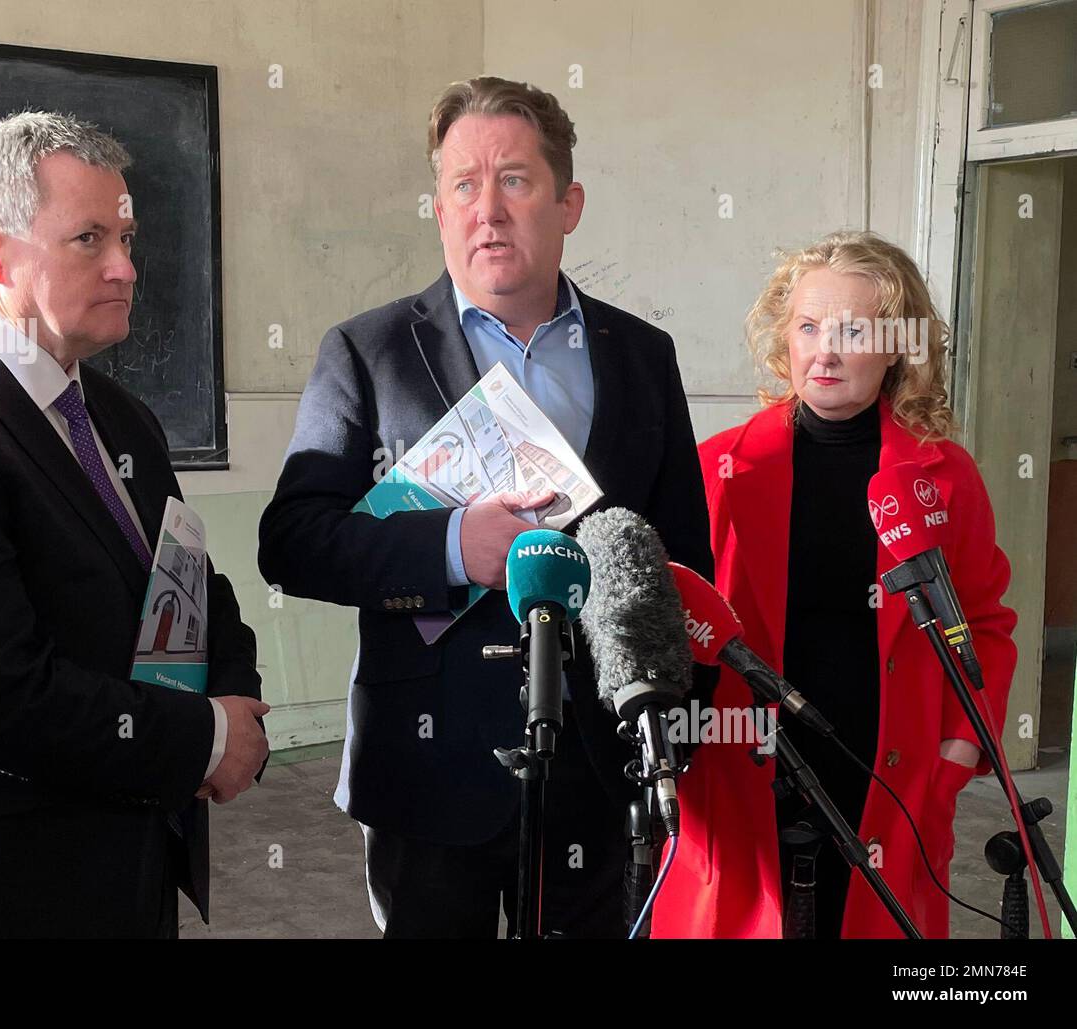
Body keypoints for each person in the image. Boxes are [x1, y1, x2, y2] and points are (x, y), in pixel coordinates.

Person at [258, 77, 714, 938]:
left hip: (599, 764)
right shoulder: (368, 350)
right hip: (429, 769)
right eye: (463, 185)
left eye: (514, 179)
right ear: (438, 210)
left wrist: (675, 737)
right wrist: (449, 546)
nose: (487, 209)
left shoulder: (643, 355)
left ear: (568, 202)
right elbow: (294, 541)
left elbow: (682, 556)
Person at [0, 111, 269, 938]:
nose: (125, 267)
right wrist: (206, 738)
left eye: (127, 236)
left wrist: (235, 693)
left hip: (128, 864)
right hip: (1, 895)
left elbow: (187, 580)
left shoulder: (119, 417)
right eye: (89, 239)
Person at [653, 230, 1017, 938]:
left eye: (854, 330)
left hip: (892, 772)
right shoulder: (719, 467)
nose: (826, 349)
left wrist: (958, 750)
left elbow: (984, 621)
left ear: (897, 347)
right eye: (809, 326)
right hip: (745, 762)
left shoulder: (944, 476)